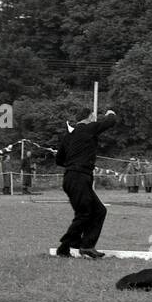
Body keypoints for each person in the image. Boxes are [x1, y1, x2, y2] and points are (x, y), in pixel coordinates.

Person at [54, 106, 118, 258]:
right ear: (90, 117)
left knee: (98, 211)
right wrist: (110, 113)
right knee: (84, 213)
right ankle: (65, 247)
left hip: (71, 178)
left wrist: (73, 164)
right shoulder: (88, 128)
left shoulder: (69, 136)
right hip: (79, 178)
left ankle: (86, 246)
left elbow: (58, 160)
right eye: (94, 117)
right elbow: (110, 121)